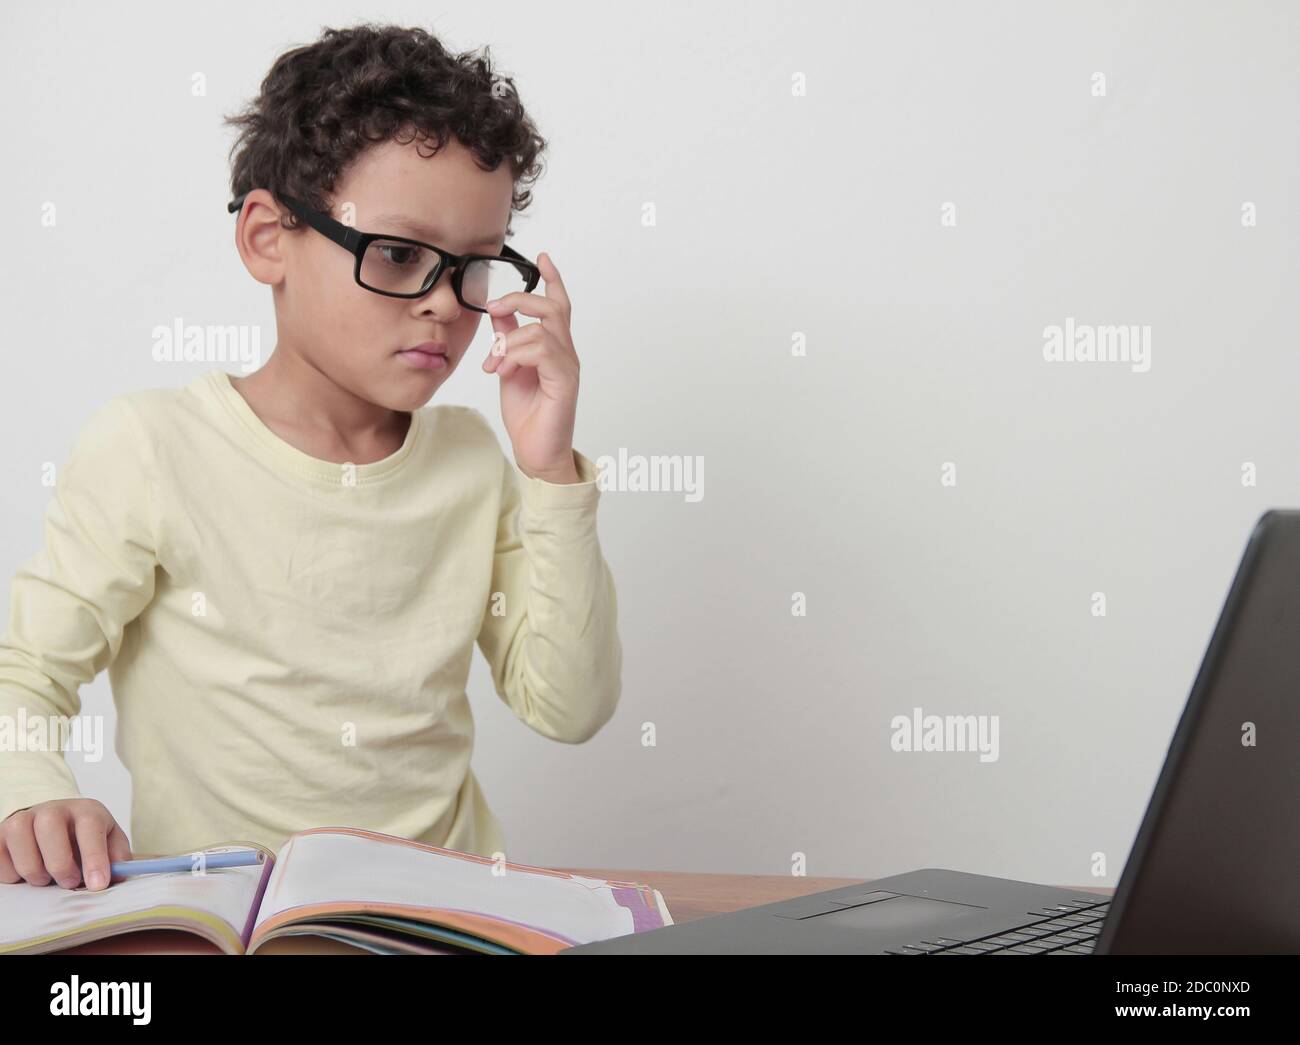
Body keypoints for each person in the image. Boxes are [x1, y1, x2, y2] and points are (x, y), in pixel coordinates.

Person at [0, 23, 621, 892]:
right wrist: (30, 792)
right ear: (268, 239)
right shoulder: (152, 447)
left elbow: (569, 705)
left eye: (474, 268)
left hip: (440, 914)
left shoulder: (475, 460)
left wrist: (551, 471)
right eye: (399, 255)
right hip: (228, 918)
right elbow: (24, 674)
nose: (444, 304)